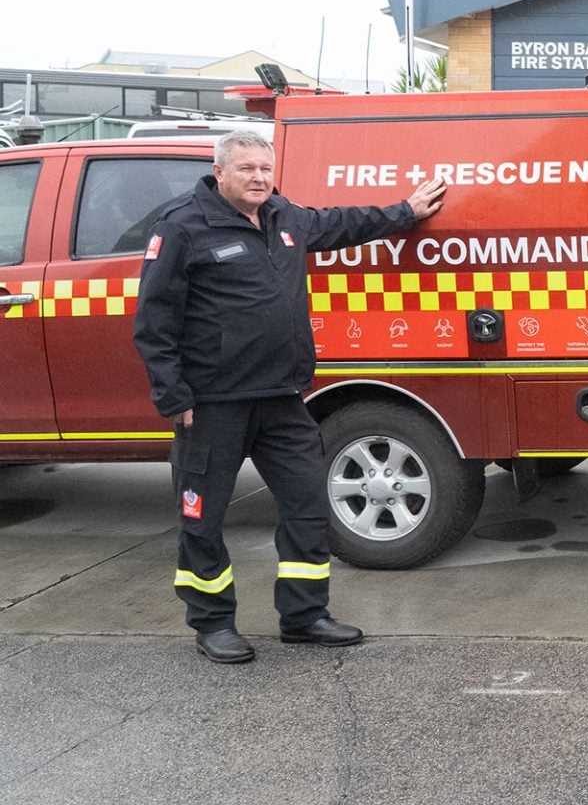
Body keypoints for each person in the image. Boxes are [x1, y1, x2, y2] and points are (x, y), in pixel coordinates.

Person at [132, 129, 446, 665]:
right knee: (201, 517)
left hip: (281, 396)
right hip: (212, 403)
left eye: (264, 168)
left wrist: (406, 210)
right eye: (247, 169)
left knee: (307, 504)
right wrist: (173, 394)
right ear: (220, 172)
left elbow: (343, 224)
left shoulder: (283, 216)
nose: (258, 177)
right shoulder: (183, 225)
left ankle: (304, 616)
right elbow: (154, 320)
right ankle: (212, 623)